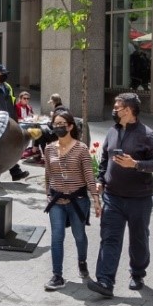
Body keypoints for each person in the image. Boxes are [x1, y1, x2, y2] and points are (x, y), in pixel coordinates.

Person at [87, 93, 153, 298]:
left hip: (139, 198)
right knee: (109, 238)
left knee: (138, 240)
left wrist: (136, 164)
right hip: (112, 197)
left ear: (128, 111)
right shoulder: (112, 131)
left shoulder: (148, 135)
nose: (113, 109)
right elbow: (104, 159)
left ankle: (137, 273)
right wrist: (100, 180)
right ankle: (105, 281)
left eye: (117, 106)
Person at [42, 110, 100, 291]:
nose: (58, 127)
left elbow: (89, 176)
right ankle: (57, 275)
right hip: (56, 201)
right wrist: (48, 194)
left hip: (78, 200)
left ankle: (82, 262)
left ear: (70, 126)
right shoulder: (49, 148)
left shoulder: (81, 148)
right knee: (57, 236)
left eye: (61, 124)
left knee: (79, 235)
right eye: (55, 124)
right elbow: (48, 174)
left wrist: (96, 199)